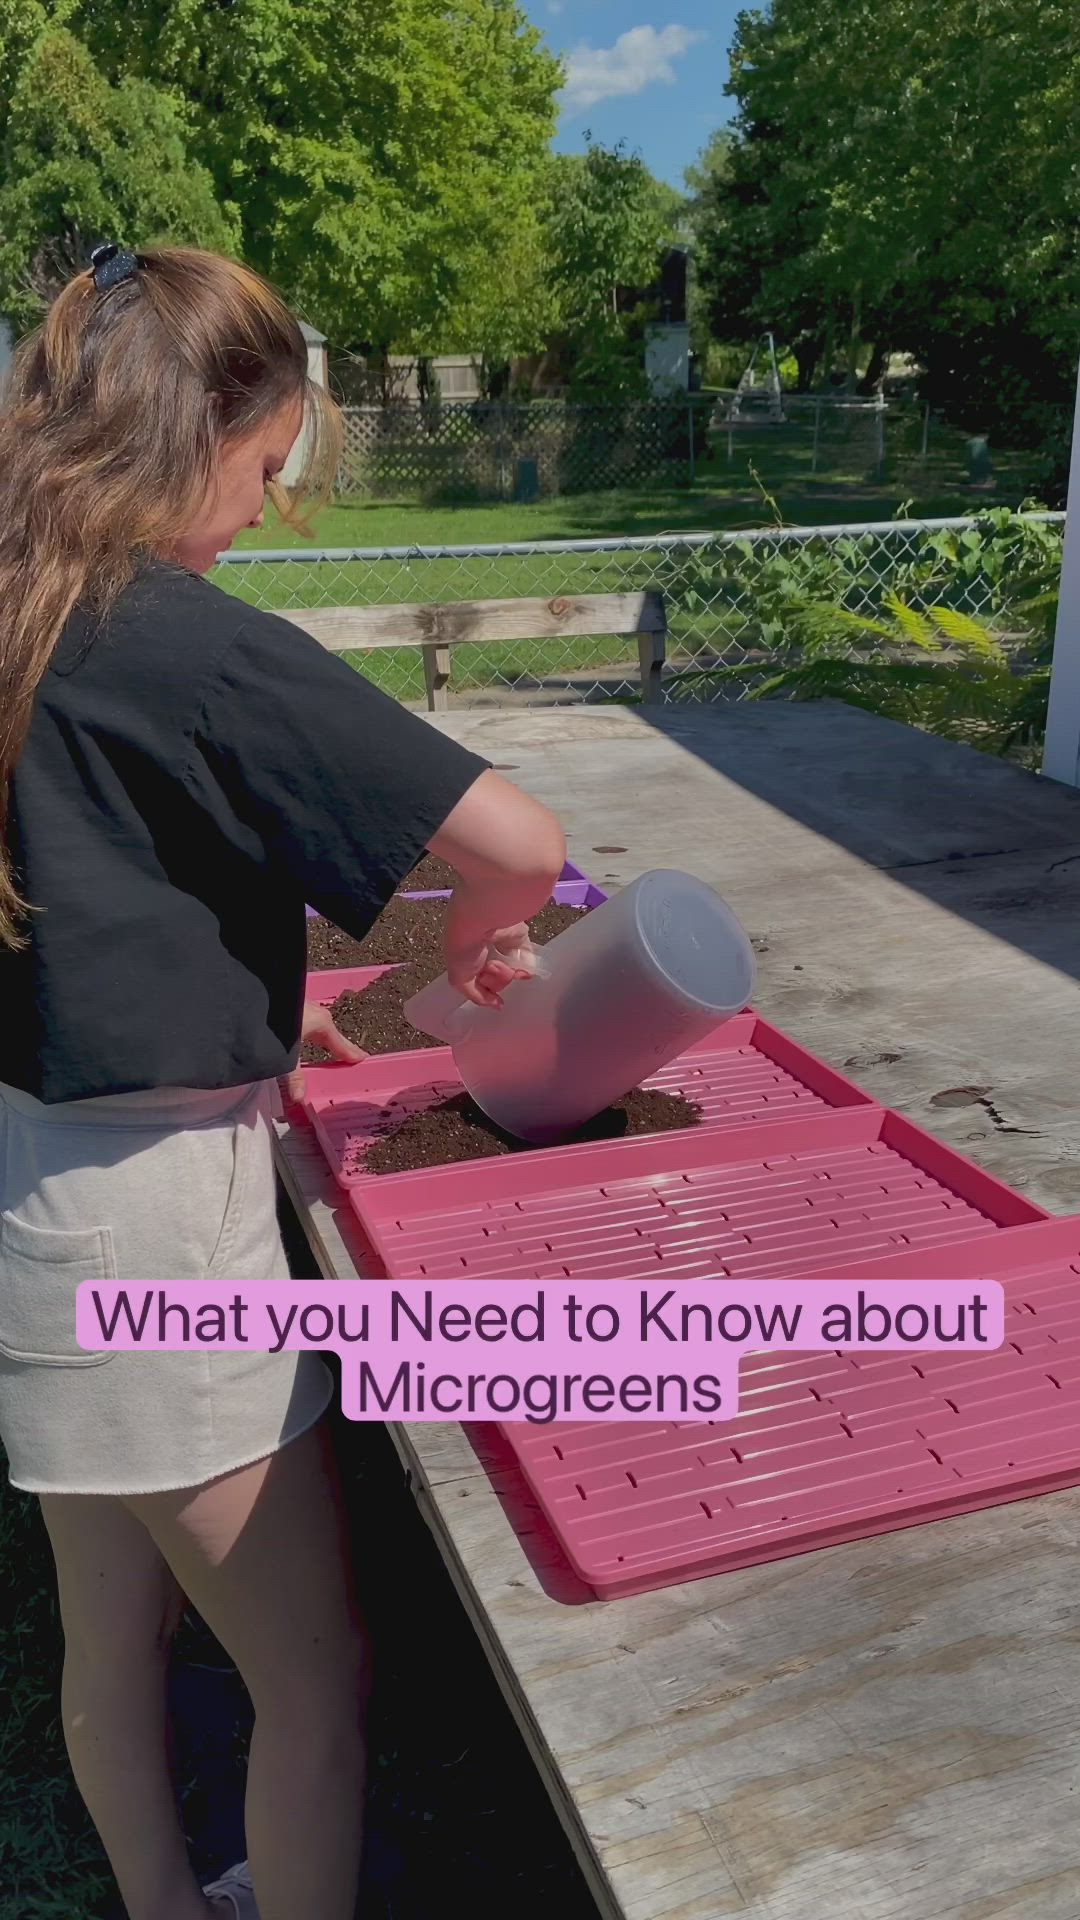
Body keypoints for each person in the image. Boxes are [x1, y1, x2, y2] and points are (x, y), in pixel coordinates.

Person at [0, 244, 566, 1920]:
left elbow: (93, 897)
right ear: (207, 428)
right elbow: (518, 842)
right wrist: (483, 922)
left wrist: (258, 1018)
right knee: (314, 1677)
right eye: (264, 470)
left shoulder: (18, 604)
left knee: (109, 1638)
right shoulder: (175, 630)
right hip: (165, 1248)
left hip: (35, 1203)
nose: (262, 509)